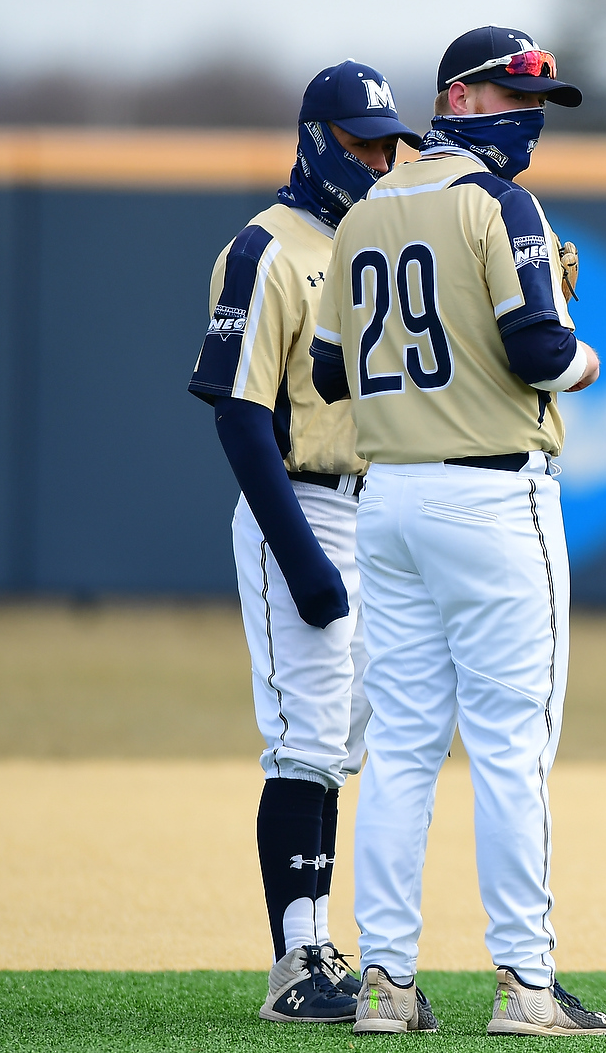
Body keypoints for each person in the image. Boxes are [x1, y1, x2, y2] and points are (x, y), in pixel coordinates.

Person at [310, 25, 606, 1038]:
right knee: (510, 749)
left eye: (539, 99)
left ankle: (385, 987)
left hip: (388, 498)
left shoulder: (362, 214)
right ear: (460, 97)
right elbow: (537, 350)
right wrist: (580, 356)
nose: (531, 116)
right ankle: (527, 986)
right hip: (490, 497)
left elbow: (324, 375)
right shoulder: (499, 203)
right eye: (515, 95)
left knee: (398, 748)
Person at [186, 61, 421, 1024]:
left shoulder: (378, 241)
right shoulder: (266, 248)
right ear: (318, 137)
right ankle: (298, 960)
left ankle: (324, 941)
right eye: (361, 139)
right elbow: (238, 416)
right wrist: (303, 557)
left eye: (386, 140)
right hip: (305, 502)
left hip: (379, 506)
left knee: (351, 738)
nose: (377, 155)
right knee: (307, 742)